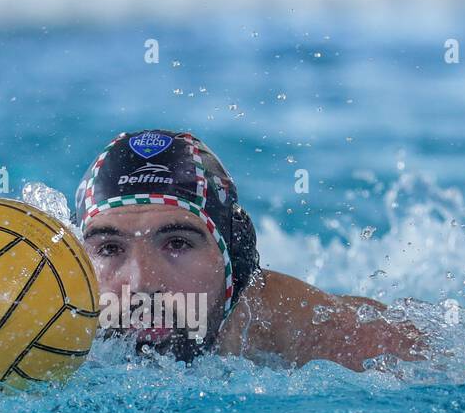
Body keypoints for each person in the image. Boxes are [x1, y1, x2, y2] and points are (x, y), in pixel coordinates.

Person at [74, 130, 425, 371]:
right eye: (109, 248)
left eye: (177, 243)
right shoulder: (41, 324)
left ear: (233, 262)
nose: (141, 282)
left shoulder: (341, 342)